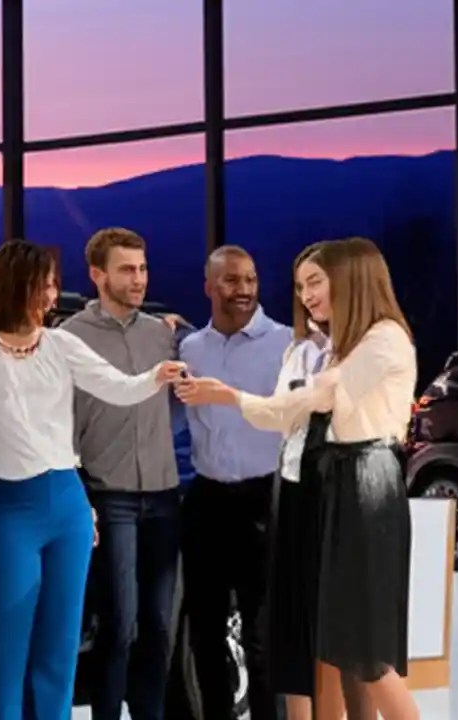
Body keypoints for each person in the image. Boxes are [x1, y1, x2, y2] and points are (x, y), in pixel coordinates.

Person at [177, 237, 420, 720]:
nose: (306, 295)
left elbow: (314, 399)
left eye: (315, 283)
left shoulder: (384, 339)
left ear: (349, 280)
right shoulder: (330, 346)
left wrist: (232, 397)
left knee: (366, 652)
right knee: (336, 648)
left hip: (363, 485)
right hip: (323, 485)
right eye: (301, 285)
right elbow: (288, 415)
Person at [0, 239, 186, 719]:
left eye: (54, 286)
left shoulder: (60, 344)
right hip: (5, 507)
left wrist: (156, 376)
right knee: (3, 645)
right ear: (17, 286)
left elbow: (117, 387)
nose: (52, 297)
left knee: (60, 645)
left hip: (68, 505)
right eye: (45, 286)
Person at [58, 228, 181, 720]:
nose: (139, 279)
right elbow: (58, 421)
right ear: (97, 274)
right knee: (120, 624)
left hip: (165, 495)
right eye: (127, 269)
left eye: (143, 268)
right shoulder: (68, 339)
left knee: (159, 625)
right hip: (109, 497)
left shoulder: (162, 334)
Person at [176, 245, 292, 720]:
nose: (243, 289)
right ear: (209, 286)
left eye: (249, 279)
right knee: (204, 634)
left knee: (261, 639)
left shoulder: (286, 344)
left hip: (263, 500)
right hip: (207, 500)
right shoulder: (190, 349)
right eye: (230, 280)